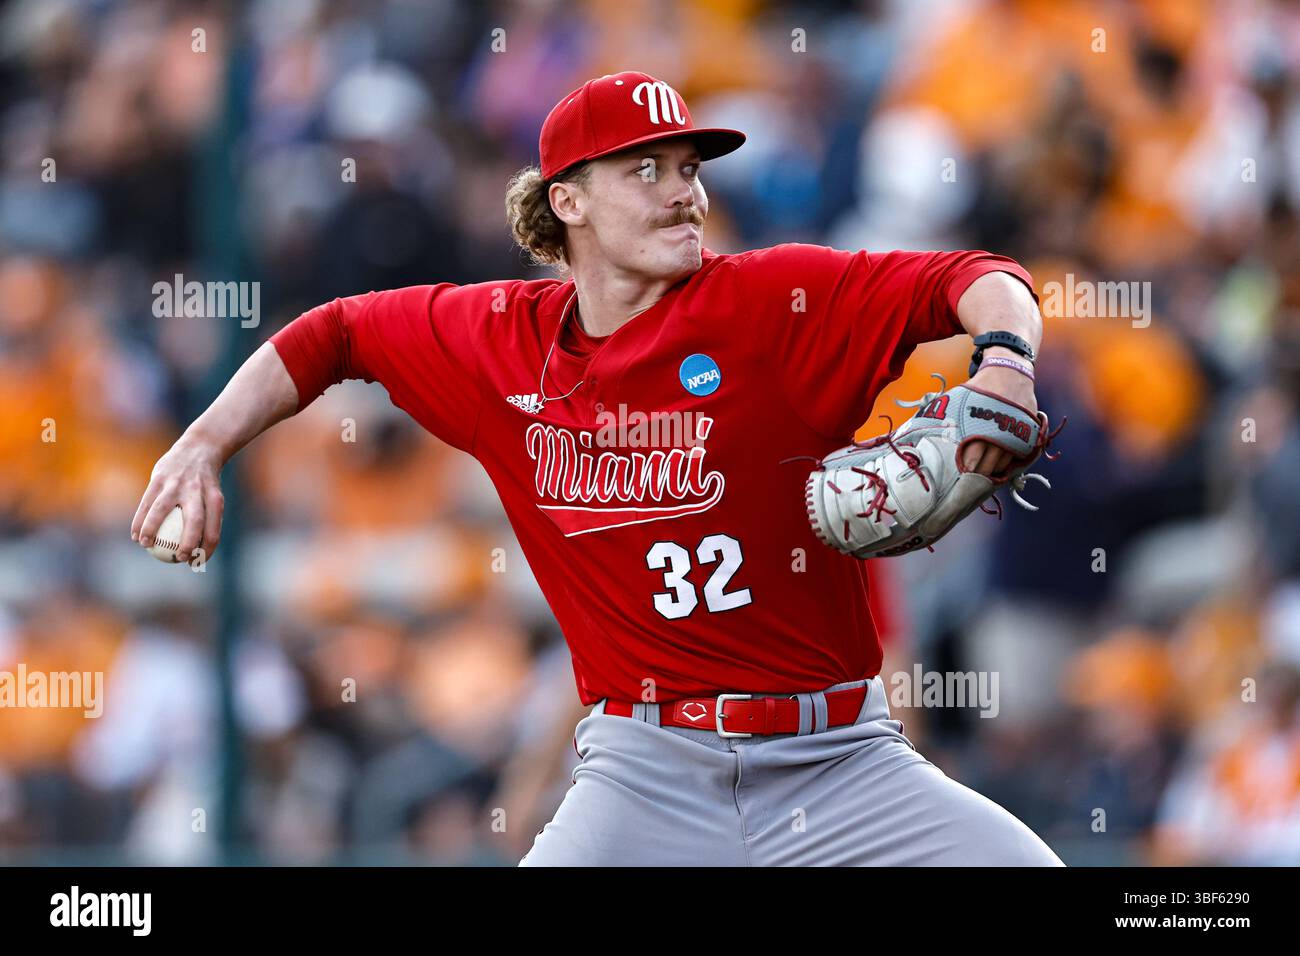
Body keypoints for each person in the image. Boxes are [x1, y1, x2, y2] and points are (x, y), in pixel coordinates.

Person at [132, 71, 1062, 866]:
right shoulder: (495, 341)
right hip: (645, 772)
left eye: (690, 169)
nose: (682, 192)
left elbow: (977, 277)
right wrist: (203, 441)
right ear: (567, 201)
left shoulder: (773, 301)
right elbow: (331, 333)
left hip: (842, 760)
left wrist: (1008, 360)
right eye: (645, 169)